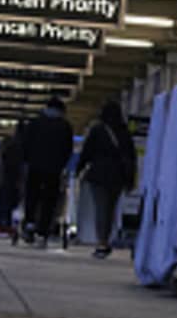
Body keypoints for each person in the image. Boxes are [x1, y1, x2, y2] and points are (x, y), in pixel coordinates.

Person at [75, 100, 137, 259]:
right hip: (117, 176)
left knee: (101, 209)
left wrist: (79, 169)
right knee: (110, 209)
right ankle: (105, 238)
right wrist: (130, 180)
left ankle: (102, 242)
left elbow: (87, 152)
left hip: (98, 175)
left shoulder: (97, 130)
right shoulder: (124, 132)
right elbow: (131, 157)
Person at [20, 97, 74, 248]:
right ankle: (42, 231)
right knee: (49, 201)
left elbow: (25, 144)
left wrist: (27, 160)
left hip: (35, 167)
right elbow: (67, 150)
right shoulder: (65, 126)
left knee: (32, 196)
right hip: (54, 170)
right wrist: (61, 164)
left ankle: (29, 222)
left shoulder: (35, 123)